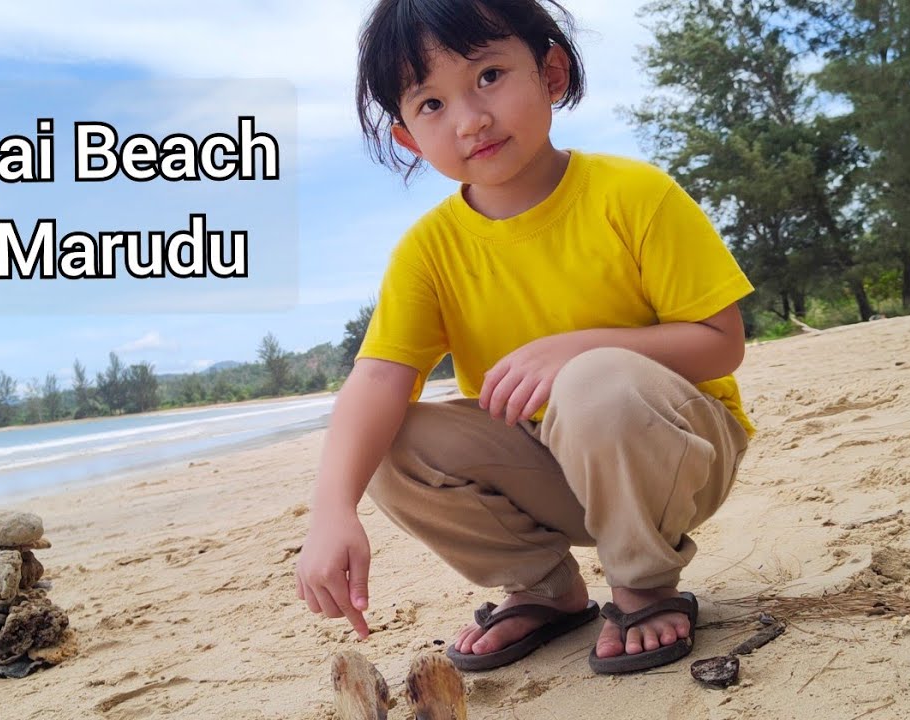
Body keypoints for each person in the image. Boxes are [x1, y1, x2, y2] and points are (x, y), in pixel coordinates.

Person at [295, 0, 754, 674]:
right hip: (549, 473)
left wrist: (582, 348)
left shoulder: (633, 194)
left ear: (552, 71)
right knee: (382, 441)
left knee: (594, 380)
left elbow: (722, 342)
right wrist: (332, 510)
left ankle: (644, 583)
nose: (470, 118)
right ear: (408, 139)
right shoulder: (430, 251)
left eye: (488, 77)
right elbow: (379, 378)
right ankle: (545, 588)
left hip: (673, 454)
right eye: (430, 103)